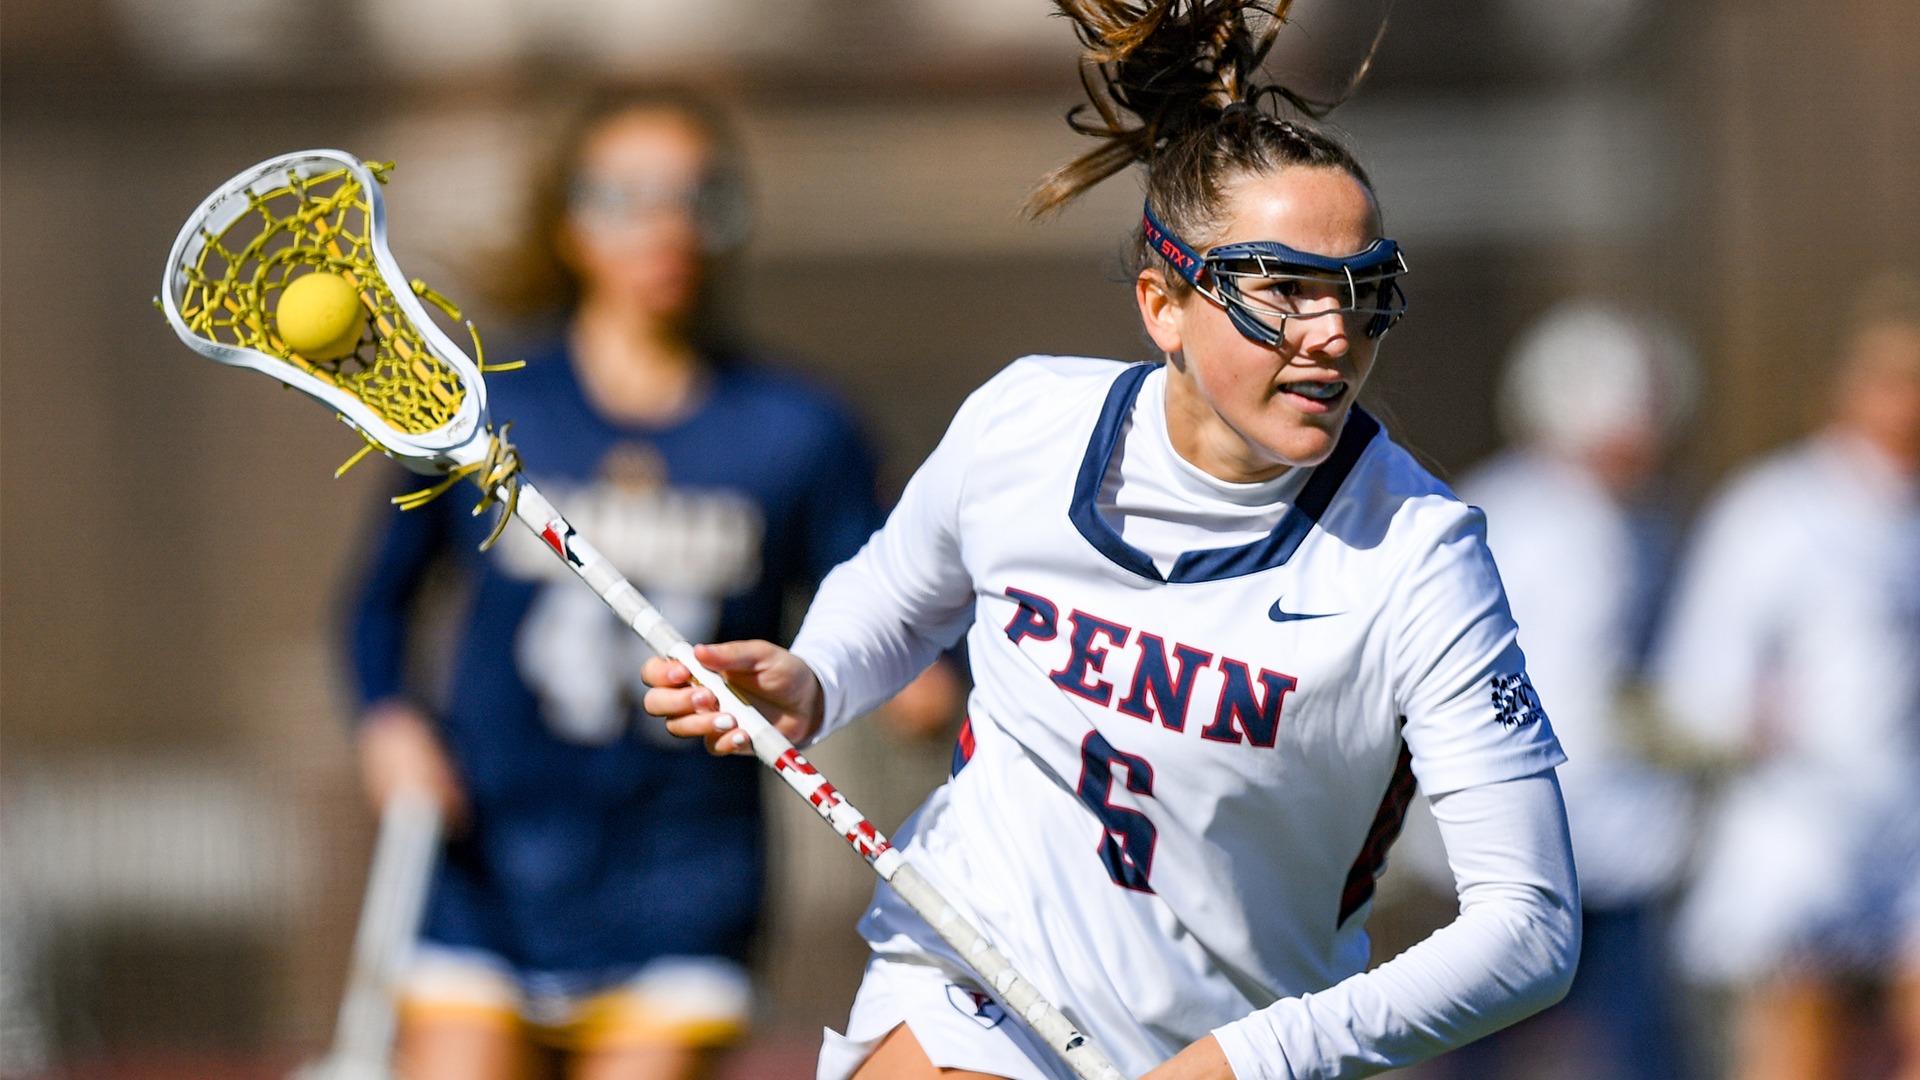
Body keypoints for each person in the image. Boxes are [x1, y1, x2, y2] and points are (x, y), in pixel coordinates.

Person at [641, 3, 1581, 1078]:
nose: (1332, 334)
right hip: (970, 973)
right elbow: (902, 593)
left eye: (1363, 294)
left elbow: (1531, 926)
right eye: (1282, 289)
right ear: (1162, 304)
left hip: (1239, 1040)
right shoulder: (1025, 426)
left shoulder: (1420, 560)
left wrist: (1255, 1057)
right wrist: (816, 675)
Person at [346, 87, 947, 1080]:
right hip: (488, 870)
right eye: (624, 197)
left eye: (697, 197)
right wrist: (386, 722)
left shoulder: (797, 429)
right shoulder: (484, 408)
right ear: (569, 222)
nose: (664, 227)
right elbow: (378, 604)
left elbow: (891, 606)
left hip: (682, 881)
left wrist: (922, 679)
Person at [1654, 272, 1920, 1080]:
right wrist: (1766, 726)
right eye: (1893, 379)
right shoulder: (1776, 512)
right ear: (1848, 387)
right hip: (1801, 852)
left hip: (1905, 849)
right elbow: (1699, 687)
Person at [1441, 303, 1700, 1079]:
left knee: (1639, 1048)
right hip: (1525, 838)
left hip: (1617, 845)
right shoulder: (1507, 513)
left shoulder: (1639, 523)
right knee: (1478, 1038)